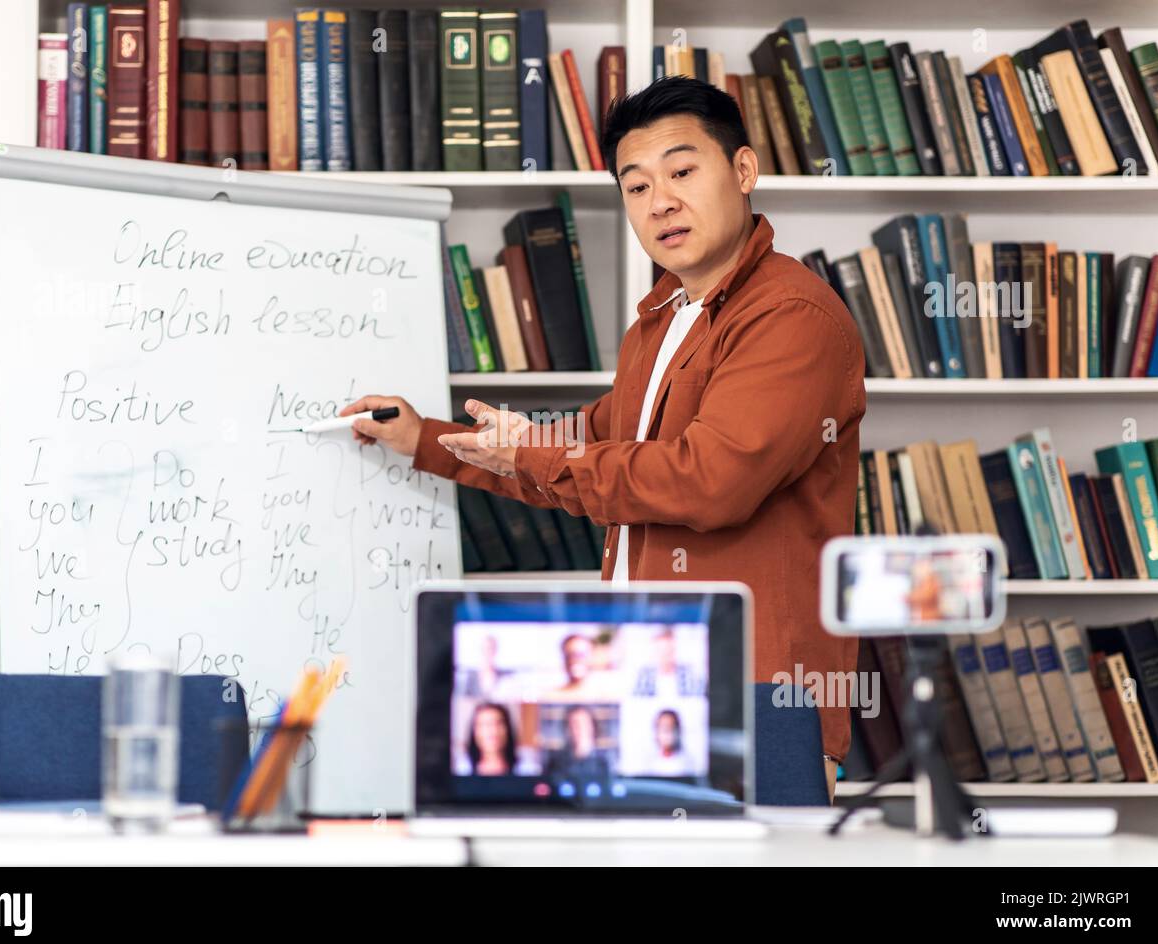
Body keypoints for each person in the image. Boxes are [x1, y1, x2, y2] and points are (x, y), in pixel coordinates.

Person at [340, 76, 865, 801]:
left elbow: (709, 481)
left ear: (743, 172)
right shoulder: (660, 322)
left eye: (682, 172)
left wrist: (533, 451)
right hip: (644, 691)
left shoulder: (790, 317)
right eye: (637, 186)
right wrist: (426, 438)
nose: (661, 202)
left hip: (754, 698)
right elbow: (578, 446)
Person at [544, 704, 612, 780]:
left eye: (584, 723)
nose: (580, 729)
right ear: (567, 729)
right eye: (574, 724)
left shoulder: (602, 763)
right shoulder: (555, 763)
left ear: (592, 727)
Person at [632, 628, 704, 697]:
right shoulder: (644, 677)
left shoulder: (690, 675)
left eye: (669, 651)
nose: (666, 656)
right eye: (662, 651)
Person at [464, 702, 518, 776]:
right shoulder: (462, 769)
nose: (493, 730)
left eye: (498, 723)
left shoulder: (525, 769)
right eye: (485, 724)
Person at [648, 709, 695, 776]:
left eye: (671, 727)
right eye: (663, 728)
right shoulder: (648, 762)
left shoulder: (687, 763)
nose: (667, 733)